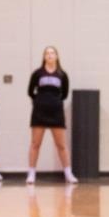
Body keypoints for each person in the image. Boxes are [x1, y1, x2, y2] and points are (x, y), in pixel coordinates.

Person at [27, 47, 76, 184]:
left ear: (56, 57)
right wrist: (39, 100)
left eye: (52, 53)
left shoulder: (62, 74)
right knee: (35, 144)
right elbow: (30, 91)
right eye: (47, 53)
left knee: (61, 145)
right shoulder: (37, 74)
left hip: (56, 112)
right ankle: (31, 174)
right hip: (39, 112)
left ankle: (68, 174)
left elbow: (64, 94)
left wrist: (53, 101)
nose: (49, 55)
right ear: (44, 57)